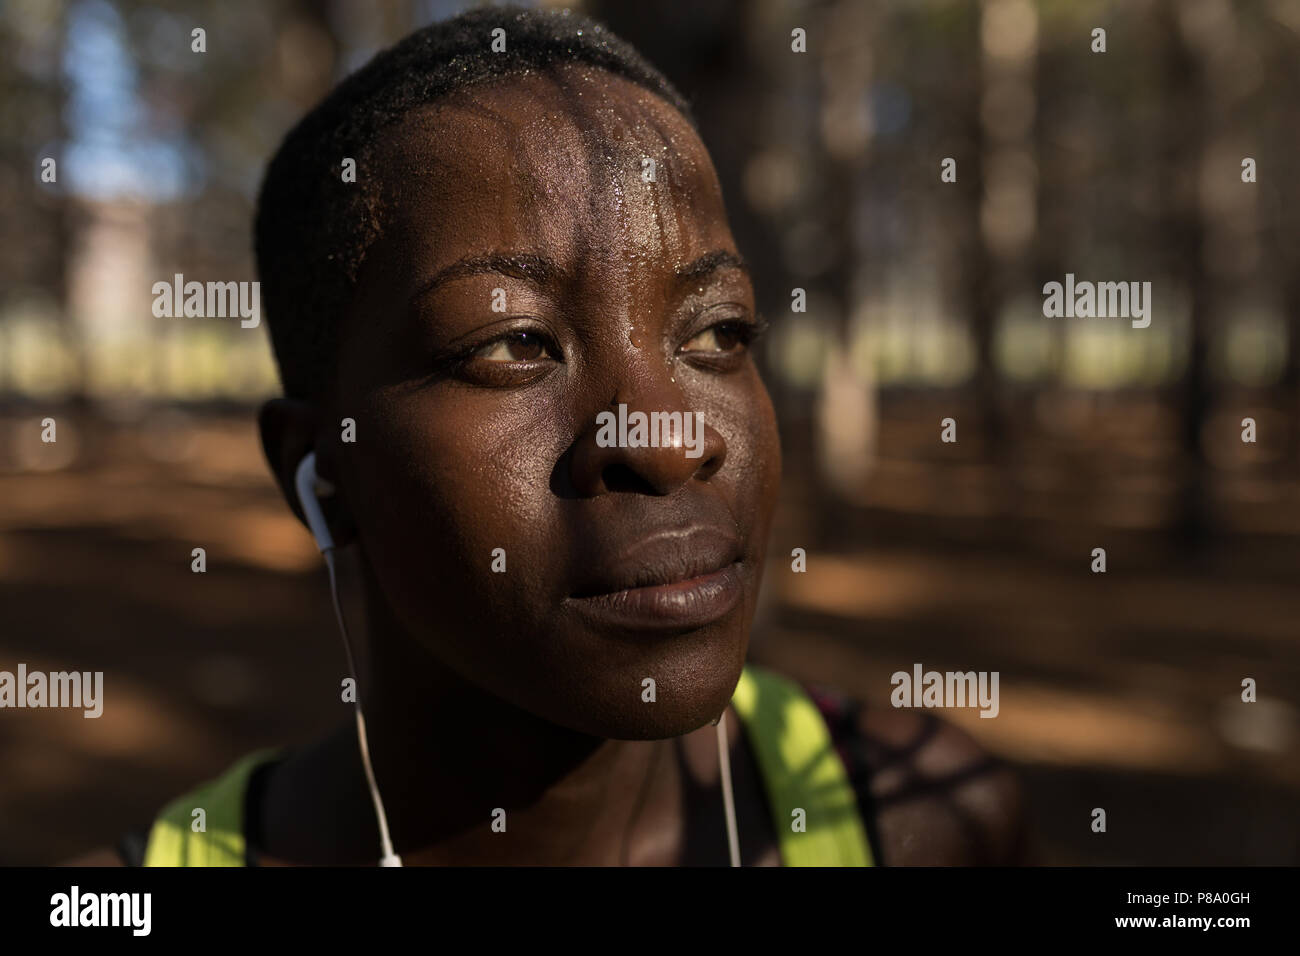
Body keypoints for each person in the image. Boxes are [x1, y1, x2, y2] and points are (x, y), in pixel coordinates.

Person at [68, 6, 1026, 867]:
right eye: (516, 343)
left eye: (718, 333)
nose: (668, 438)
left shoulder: (925, 823)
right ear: (318, 470)